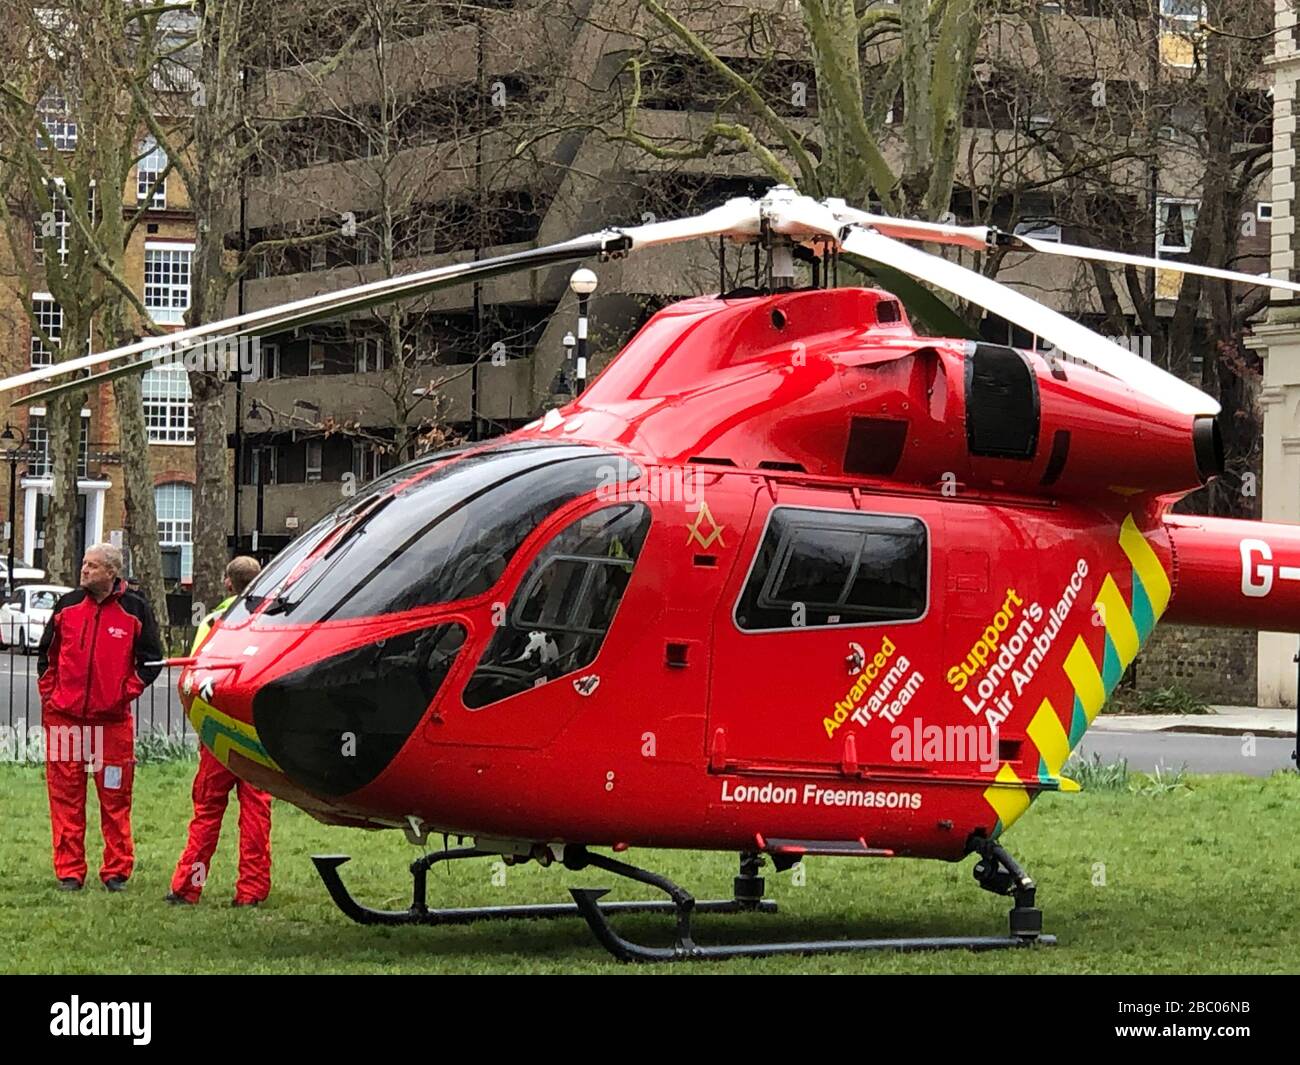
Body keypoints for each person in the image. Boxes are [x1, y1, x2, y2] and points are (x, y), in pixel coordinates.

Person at [37, 543, 163, 892]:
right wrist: (50, 697)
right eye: (84, 563)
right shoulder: (68, 606)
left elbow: (151, 661)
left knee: (115, 797)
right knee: (65, 797)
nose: (85, 570)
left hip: (111, 723)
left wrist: (125, 692)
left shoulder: (135, 610)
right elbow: (46, 654)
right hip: (65, 718)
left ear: (112, 572)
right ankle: (70, 871)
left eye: (93, 565)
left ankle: (117, 870)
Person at [166, 556, 272, 907]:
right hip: (257, 732)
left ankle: (188, 886)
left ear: (229, 583)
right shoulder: (273, 619)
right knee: (256, 812)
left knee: (207, 811)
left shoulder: (214, 621)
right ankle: (252, 890)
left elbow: (195, 676)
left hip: (218, 731)